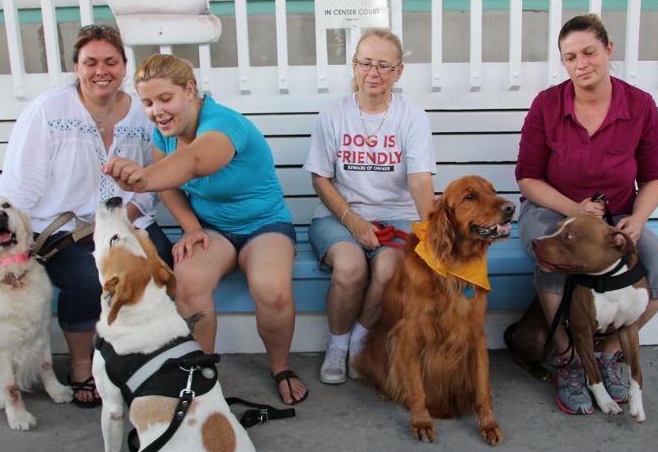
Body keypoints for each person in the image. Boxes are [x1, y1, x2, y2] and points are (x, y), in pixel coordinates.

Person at [103, 54, 308, 405]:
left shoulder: (224, 123)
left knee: (271, 289)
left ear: (190, 89)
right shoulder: (162, 134)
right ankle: (199, 377)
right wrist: (191, 227)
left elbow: (195, 163)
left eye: (165, 99)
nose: (157, 111)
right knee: (189, 280)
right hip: (213, 230)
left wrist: (143, 178)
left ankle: (280, 367)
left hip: (264, 226)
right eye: (148, 103)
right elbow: (169, 185)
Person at [0, 25, 173, 408]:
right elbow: (19, 187)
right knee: (86, 278)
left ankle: (142, 356)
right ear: (76, 67)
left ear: (125, 67)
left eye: (111, 61)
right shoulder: (48, 111)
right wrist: (10, 248)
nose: (101, 70)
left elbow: (156, 179)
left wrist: (129, 213)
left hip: (128, 220)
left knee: (162, 262)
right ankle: (82, 366)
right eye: (90, 62)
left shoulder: (142, 115)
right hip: (64, 229)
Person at [511, 14, 658, 414]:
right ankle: (568, 359)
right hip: (554, 207)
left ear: (608, 51)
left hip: (615, 215)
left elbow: (654, 177)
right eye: (570, 58)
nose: (580, 64)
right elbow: (528, 178)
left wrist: (637, 220)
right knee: (552, 254)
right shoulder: (548, 105)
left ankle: (606, 353)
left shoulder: (639, 106)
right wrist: (574, 209)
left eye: (589, 52)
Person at [304, 28, 436, 385]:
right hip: (338, 214)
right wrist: (353, 220)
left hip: (397, 215)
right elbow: (320, 179)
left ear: (399, 71)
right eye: (365, 63)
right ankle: (337, 345)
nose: (373, 72)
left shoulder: (412, 115)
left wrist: (434, 231)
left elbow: (420, 181)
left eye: (383, 65)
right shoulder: (333, 114)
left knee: (388, 270)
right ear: (354, 65)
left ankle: (360, 342)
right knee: (350, 269)